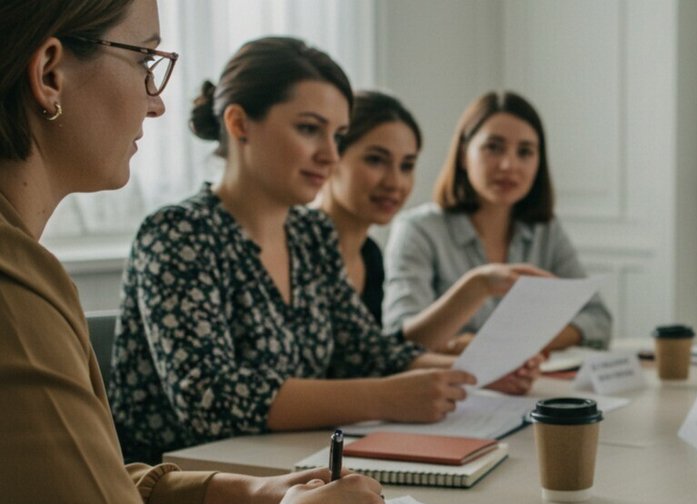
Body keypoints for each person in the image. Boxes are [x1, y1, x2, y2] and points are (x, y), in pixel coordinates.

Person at [0, 2, 396, 504]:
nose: (157, 104)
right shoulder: (14, 291)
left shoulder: (28, 268)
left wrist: (248, 492)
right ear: (49, 74)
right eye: (145, 60)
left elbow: (73, 489)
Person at [109, 38, 488, 463]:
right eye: (309, 129)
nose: (330, 155)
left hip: (289, 469)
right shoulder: (177, 233)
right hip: (178, 485)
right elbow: (209, 399)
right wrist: (385, 397)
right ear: (239, 124)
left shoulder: (311, 233)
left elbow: (365, 352)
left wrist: (469, 372)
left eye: (338, 136)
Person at [382, 90, 613, 353]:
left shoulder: (546, 230)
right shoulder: (418, 230)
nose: (508, 165)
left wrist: (510, 346)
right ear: (463, 155)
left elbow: (598, 320)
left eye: (525, 152)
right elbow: (400, 338)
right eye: (493, 147)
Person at [315, 89, 552, 342]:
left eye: (407, 166)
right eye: (375, 160)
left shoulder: (369, 256)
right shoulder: (302, 246)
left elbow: (378, 356)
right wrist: (477, 289)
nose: (395, 183)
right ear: (332, 154)